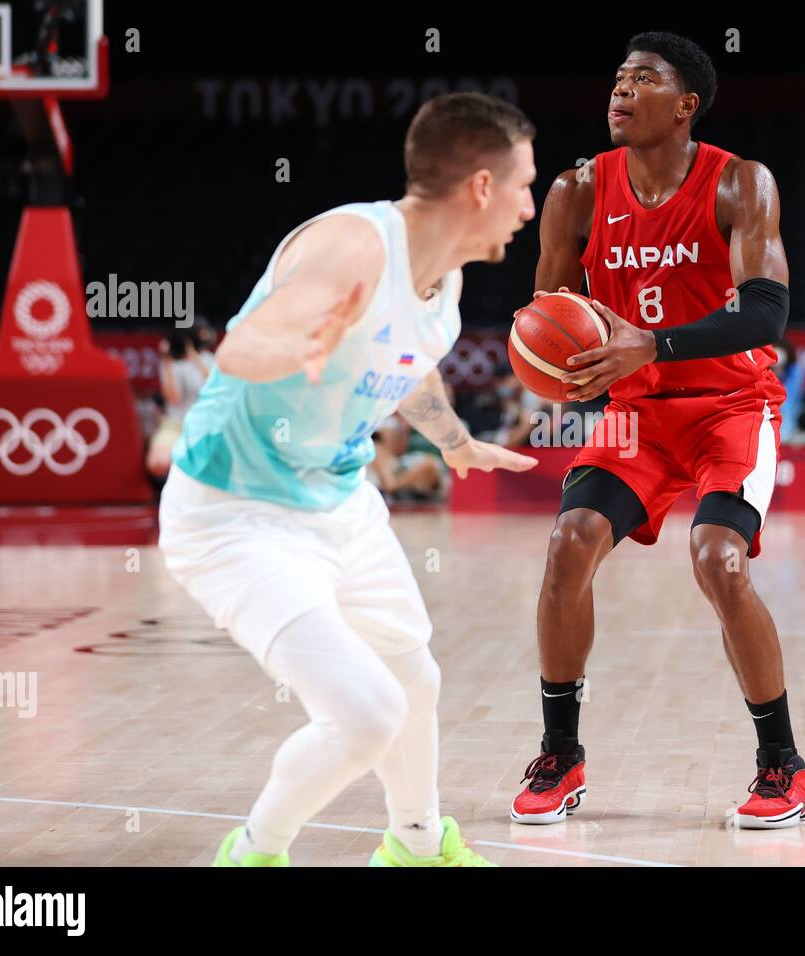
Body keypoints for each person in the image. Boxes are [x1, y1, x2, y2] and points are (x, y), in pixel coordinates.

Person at [158, 92, 539, 867]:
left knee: (415, 679)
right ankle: (254, 852)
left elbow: (411, 367)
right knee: (367, 714)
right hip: (235, 517)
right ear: (479, 187)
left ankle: (416, 846)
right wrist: (295, 346)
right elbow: (243, 349)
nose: (530, 206)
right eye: (524, 184)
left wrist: (455, 441)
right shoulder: (353, 244)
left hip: (339, 504)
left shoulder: (445, 279)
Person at [511, 32, 805, 830]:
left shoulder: (740, 182)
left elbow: (767, 312)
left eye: (643, 79)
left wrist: (656, 342)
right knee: (570, 539)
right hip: (635, 415)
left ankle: (782, 764)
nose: (620, 89)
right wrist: (557, 361)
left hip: (729, 406)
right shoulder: (577, 189)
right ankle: (559, 753)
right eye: (616, 77)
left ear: (685, 106)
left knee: (718, 560)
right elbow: (550, 315)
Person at [145, 330, 212, 478]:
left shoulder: (207, 359)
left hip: (203, 427)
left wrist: (194, 357)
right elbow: (173, 398)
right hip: (175, 426)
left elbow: (215, 387)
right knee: (157, 463)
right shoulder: (169, 364)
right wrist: (166, 361)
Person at [775, 338, 804, 444]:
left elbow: (789, 402)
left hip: (789, 430)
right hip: (769, 429)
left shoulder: (795, 372)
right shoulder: (764, 369)